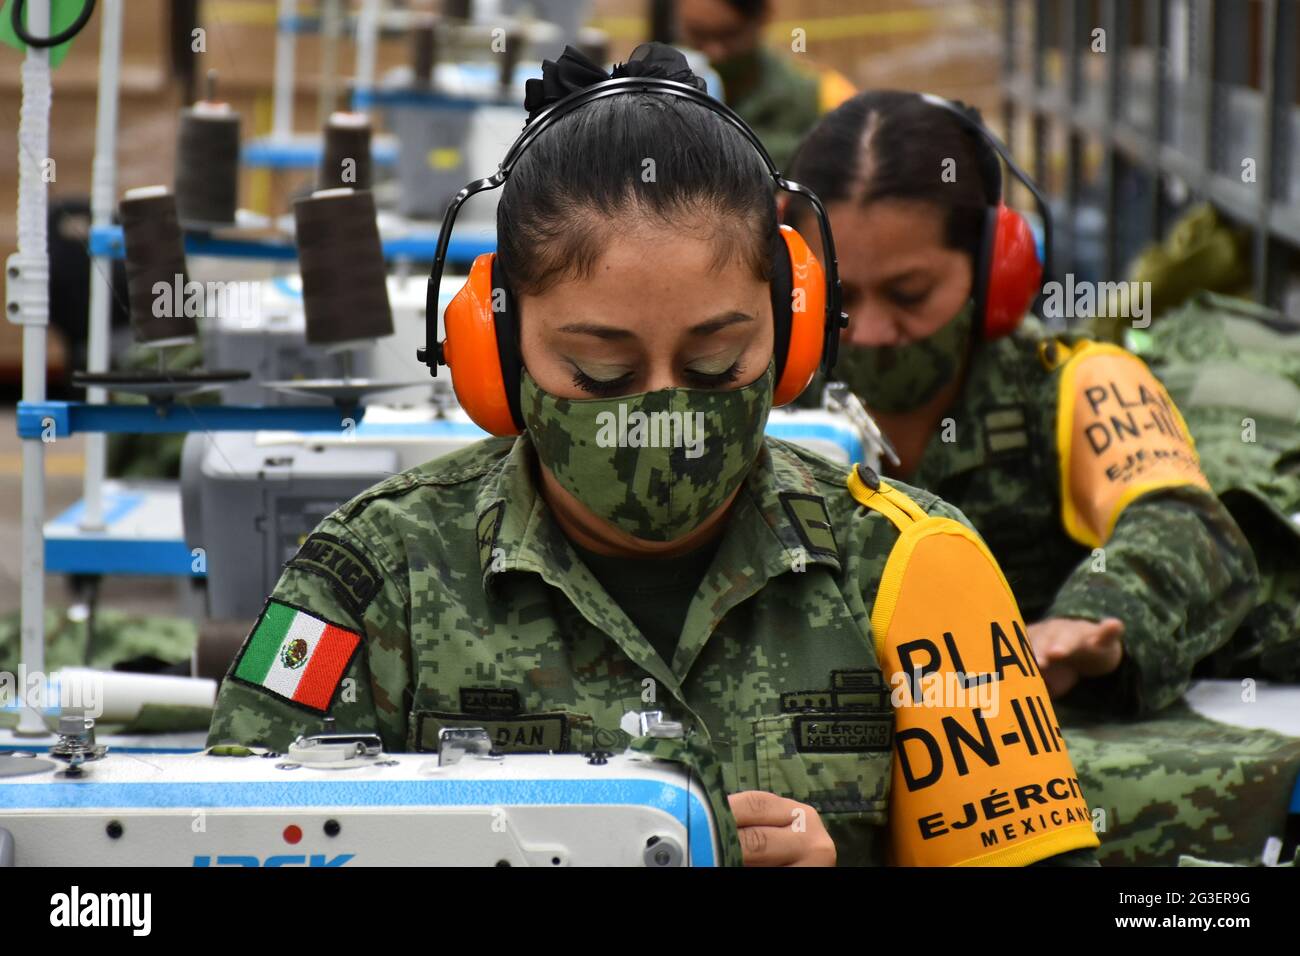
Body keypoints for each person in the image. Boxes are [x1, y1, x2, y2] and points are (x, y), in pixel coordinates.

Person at [208, 46, 1099, 867]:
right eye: (601, 373)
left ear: (792, 338)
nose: (664, 414)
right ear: (497, 352)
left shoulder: (914, 574)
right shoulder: (367, 582)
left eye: (716, 364)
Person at [784, 90, 1266, 719]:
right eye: (844, 295)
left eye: (910, 293)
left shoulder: (1074, 385)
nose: (872, 331)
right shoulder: (772, 392)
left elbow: (1188, 528)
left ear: (995, 270)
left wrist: (1087, 619)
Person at [676, 0, 855, 169]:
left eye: (729, 35)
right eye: (697, 34)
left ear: (762, 17)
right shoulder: (656, 84)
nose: (715, 53)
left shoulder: (822, 96)